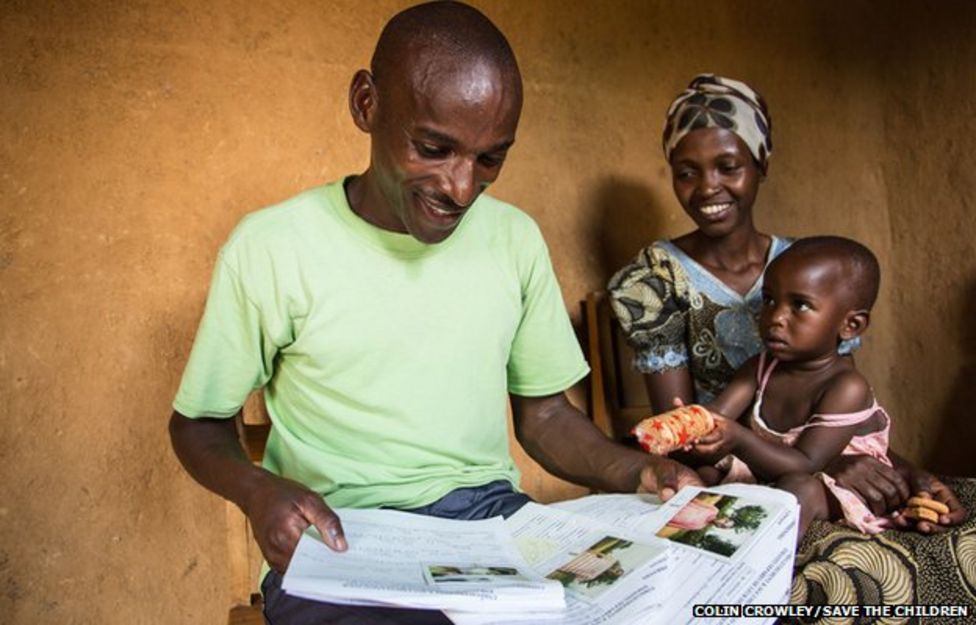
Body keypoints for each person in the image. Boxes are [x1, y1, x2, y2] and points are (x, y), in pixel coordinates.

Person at [168, 2, 699, 623]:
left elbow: (548, 416)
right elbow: (198, 426)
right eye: (434, 147)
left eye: (490, 159)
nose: (461, 188)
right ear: (367, 104)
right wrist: (258, 490)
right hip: (345, 538)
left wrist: (642, 472)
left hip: (491, 525)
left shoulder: (514, 240)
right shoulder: (273, 247)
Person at [607, 74, 964, 532]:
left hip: (803, 463)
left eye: (729, 166)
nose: (707, 188)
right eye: (686, 172)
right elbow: (688, 432)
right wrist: (819, 468)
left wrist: (910, 473)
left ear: (761, 164)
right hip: (723, 464)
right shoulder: (652, 281)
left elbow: (837, 414)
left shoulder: (814, 269)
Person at [690, 237, 914, 536]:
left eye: (801, 305)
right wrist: (690, 423)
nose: (776, 318)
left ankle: (762, 557)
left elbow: (806, 463)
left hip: (831, 483)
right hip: (772, 470)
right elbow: (715, 416)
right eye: (769, 300)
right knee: (704, 468)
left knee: (799, 489)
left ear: (851, 326)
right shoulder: (760, 367)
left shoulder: (846, 387)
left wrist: (737, 438)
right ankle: (698, 540)